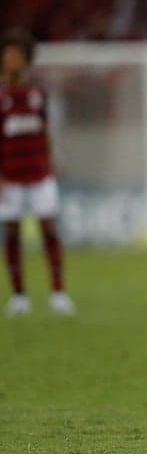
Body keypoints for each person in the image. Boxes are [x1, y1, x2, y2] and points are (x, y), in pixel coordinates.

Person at [1, 29, 74, 317]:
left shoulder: (39, 94)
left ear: (27, 59)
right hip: (9, 178)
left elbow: (49, 132)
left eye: (17, 55)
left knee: (50, 230)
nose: (12, 61)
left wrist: (52, 164)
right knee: (11, 234)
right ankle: (19, 296)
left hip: (40, 174)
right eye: (8, 56)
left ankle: (58, 292)